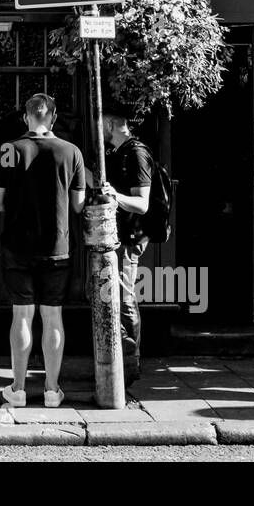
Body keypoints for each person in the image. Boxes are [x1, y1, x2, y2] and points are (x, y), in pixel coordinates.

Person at [0, 94, 85, 408]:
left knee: (22, 316)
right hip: (57, 246)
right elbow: (78, 204)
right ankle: (52, 389)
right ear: (54, 117)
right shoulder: (71, 152)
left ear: (26, 117)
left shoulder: (8, 150)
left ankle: (17, 389)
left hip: (17, 244)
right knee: (53, 317)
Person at [101, 110, 157, 384]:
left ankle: (130, 364)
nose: (98, 131)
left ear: (111, 123)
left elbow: (142, 204)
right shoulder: (117, 152)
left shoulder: (136, 153)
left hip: (130, 236)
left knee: (124, 298)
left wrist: (115, 195)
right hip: (119, 235)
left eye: (100, 125)